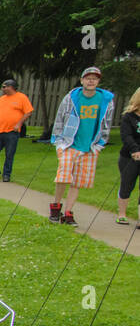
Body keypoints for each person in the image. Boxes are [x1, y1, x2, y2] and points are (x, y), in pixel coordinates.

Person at [49, 67, 114, 225]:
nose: (91, 81)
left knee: (77, 182)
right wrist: (57, 141)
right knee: (63, 176)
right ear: (82, 80)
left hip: (89, 147)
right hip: (68, 144)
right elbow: (59, 118)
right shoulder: (72, 98)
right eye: (88, 78)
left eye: (95, 78)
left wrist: (99, 145)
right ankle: (56, 206)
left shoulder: (105, 100)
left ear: (98, 81)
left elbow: (106, 123)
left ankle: (68, 213)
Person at [0, 79, 34, 182]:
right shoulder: (2, 99)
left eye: (4, 87)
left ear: (11, 87)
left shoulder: (21, 97)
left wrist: (19, 124)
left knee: (9, 154)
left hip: (12, 131)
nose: (3, 89)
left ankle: (6, 174)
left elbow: (28, 112)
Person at [117, 87, 140, 227]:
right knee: (127, 184)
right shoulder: (129, 117)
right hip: (129, 156)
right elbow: (126, 136)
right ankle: (122, 214)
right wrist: (135, 150)